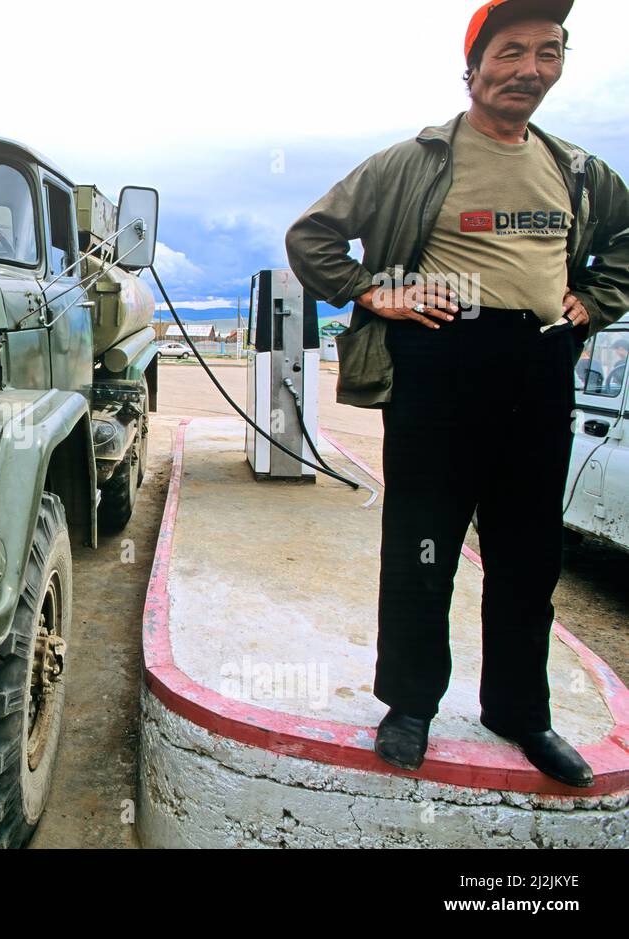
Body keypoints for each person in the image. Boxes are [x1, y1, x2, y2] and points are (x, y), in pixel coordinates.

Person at [285, 0, 629, 787]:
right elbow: (313, 235)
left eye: (548, 52)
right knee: (422, 545)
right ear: (472, 69)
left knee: (529, 554)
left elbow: (624, 242)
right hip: (440, 361)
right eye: (510, 52)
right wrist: (377, 292)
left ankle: (519, 711)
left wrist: (594, 301)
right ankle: (409, 705)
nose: (529, 69)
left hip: (539, 365)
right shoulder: (416, 161)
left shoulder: (575, 168)